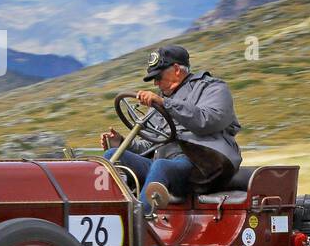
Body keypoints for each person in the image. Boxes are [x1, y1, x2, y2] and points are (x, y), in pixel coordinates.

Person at [101, 44, 242, 209]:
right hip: (168, 166)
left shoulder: (212, 87)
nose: (155, 83)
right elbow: (151, 143)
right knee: (112, 156)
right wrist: (122, 142)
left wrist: (165, 103)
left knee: (161, 166)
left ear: (176, 69)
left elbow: (208, 120)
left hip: (206, 167)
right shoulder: (161, 100)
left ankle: (136, 221)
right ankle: (99, 213)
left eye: (159, 77)